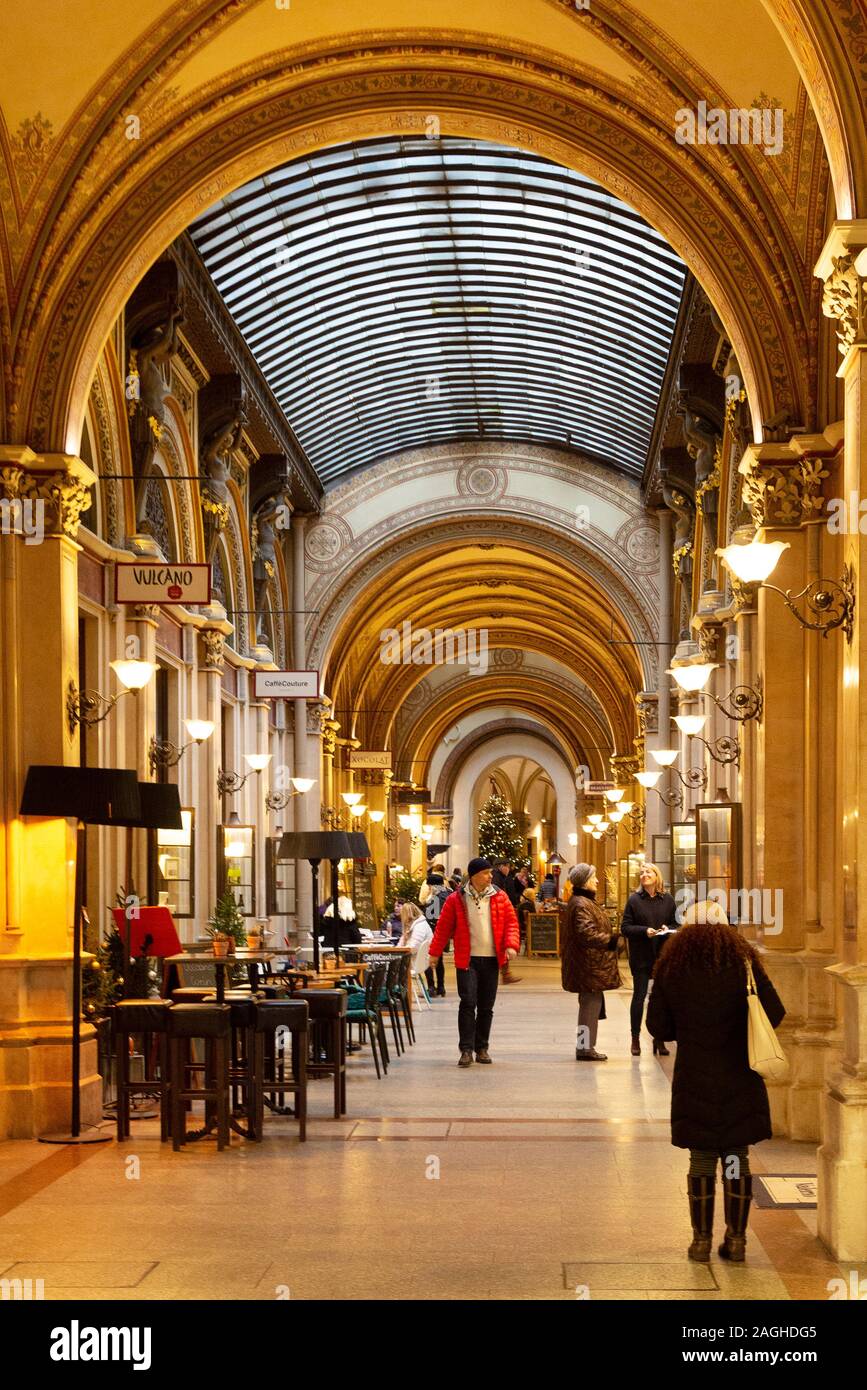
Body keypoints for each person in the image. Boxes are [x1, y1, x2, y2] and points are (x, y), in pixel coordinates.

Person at [647, 900, 785, 1264]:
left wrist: (688, 1029)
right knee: (736, 1153)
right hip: (740, 1072)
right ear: (727, 927)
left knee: (703, 1155)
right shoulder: (743, 963)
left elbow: (658, 1027)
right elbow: (775, 1011)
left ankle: (700, 1241)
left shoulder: (672, 967)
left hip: (694, 1074)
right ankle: (737, 1240)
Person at [428, 856, 520, 1067]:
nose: (490, 876)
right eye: (486, 873)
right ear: (475, 876)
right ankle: (466, 1050)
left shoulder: (500, 897)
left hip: (491, 959)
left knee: (486, 1006)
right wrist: (434, 953)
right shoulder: (456, 899)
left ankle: (482, 1048)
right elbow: (443, 928)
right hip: (467, 959)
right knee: (468, 1003)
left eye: (490, 873)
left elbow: (511, 924)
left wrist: (511, 945)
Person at [560, 863, 621, 1061]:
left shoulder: (584, 901)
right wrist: (611, 941)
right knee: (588, 1007)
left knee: (590, 1006)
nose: (596, 880)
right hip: (588, 965)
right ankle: (585, 1048)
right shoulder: (580, 903)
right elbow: (586, 933)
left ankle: (585, 1047)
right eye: (593, 877)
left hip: (590, 964)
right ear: (585, 881)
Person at [621, 862, 678, 1057]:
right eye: (642, 872)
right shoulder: (634, 900)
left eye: (648, 872)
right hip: (641, 956)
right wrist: (644, 931)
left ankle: (659, 1039)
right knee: (639, 997)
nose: (644, 874)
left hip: (662, 956)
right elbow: (625, 928)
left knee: (660, 998)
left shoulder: (668, 900)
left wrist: (665, 929)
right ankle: (635, 1038)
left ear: (657, 876)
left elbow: (675, 924)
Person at [420, 861, 450, 995]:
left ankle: (431, 987)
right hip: (444, 932)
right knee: (440, 960)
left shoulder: (435, 898)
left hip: (433, 932)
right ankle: (441, 987)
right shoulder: (449, 894)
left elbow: (430, 916)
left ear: (432, 885)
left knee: (429, 959)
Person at [398, 902, 433, 984]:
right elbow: (403, 941)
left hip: (418, 961)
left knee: (392, 966)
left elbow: (413, 947)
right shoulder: (414, 924)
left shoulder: (419, 926)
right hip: (416, 959)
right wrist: (398, 948)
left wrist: (398, 950)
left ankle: (400, 992)